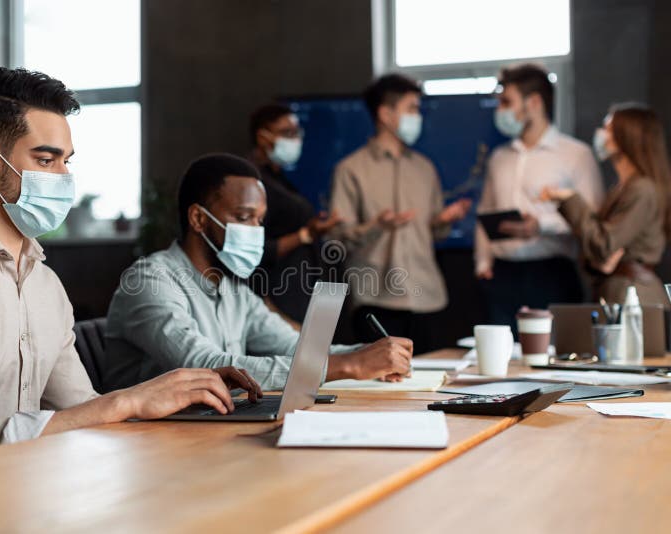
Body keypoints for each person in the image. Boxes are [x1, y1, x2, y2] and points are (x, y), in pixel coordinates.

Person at [0, 67, 261, 468]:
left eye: (66, 162)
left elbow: (80, 412)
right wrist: (128, 400)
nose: (64, 178)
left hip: (12, 494)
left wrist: (176, 400)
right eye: (46, 160)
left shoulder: (45, 284)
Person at [102, 153, 414, 392]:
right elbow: (206, 367)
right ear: (198, 219)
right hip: (144, 443)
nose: (255, 231)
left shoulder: (233, 288)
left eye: (259, 221)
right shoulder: (149, 281)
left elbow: (299, 348)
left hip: (202, 431)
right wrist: (346, 366)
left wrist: (371, 354)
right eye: (244, 217)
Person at [329, 73, 471, 353]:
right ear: (385, 113)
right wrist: (376, 225)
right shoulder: (351, 169)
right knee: (382, 386)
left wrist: (442, 221)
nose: (417, 116)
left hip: (426, 295)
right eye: (412, 109)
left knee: (430, 383)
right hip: (376, 296)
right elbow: (338, 238)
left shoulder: (424, 168)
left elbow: (432, 232)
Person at [475, 63, 605, 330]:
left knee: (553, 358)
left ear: (533, 102)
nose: (501, 110)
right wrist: (483, 261)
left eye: (506, 102)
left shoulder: (575, 154)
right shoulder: (500, 157)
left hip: (552, 272)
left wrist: (541, 225)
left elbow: (593, 220)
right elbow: (484, 212)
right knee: (499, 362)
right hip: (502, 274)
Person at [541, 103, 671, 307]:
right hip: (618, 292)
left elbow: (603, 243)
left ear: (627, 136)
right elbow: (601, 249)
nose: (600, 134)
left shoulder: (642, 190)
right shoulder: (623, 188)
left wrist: (570, 199)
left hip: (633, 297)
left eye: (608, 128)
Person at [247, 103, 341, 323]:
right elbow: (257, 247)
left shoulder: (280, 179)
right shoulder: (252, 183)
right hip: (277, 299)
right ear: (263, 137)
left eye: (297, 133)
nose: (295, 139)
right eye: (287, 133)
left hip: (304, 292)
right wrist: (304, 235)